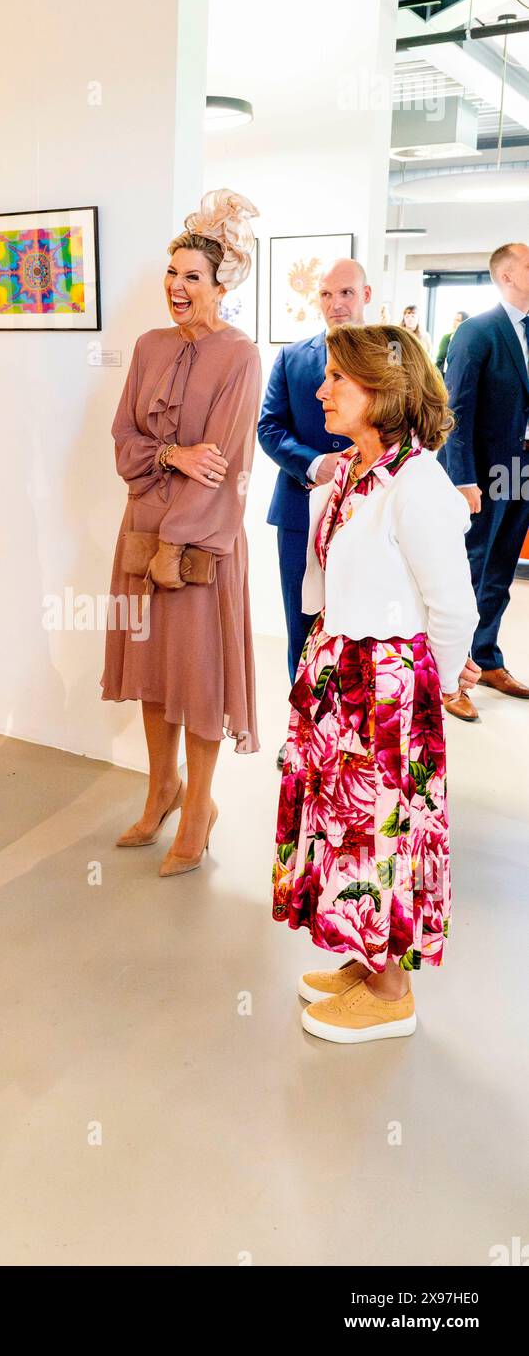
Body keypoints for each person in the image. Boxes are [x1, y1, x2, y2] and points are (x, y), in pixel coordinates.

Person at [271, 325, 479, 1044]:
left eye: (337, 378)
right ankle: (368, 959)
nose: (321, 390)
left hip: (386, 693)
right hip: (342, 678)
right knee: (347, 829)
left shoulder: (419, 484)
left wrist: (430, 690)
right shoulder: (356, 471)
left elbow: (454, 608)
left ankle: (392, 994)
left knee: (380, 833)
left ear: (383, 391)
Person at [101, 189, 261, 876]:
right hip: (140, 531)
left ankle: (199, 809)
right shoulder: (147, 346)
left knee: (198, 679)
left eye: (193, 276)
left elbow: (226, 466)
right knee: (152, 670)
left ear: (221, 286)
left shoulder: (241, 356)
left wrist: (177, 541)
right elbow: (124, 441)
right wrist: (171, 454)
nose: (177, 286)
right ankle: (160, 789)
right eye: (172, 273)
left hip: (200, 543)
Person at [257, 259, 368, 765]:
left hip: (370, 513)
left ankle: (353, 736)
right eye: (325, 294)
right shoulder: (292, 358)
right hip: (300, 513)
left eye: (345, 292)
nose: (335, 304)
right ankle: (303, 733)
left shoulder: (391, 353)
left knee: (360, 626)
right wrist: (314, 463)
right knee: (302, 627)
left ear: (365, 294)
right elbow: (270, 428)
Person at [439, 242, 529, 721]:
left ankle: (488, 659)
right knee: (469, 574)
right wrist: (463, 479)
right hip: (484, 473)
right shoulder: (477, 332)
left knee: (501, 572)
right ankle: (452, 676)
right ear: (507, 276)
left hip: (522, 471)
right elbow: (455, 411)